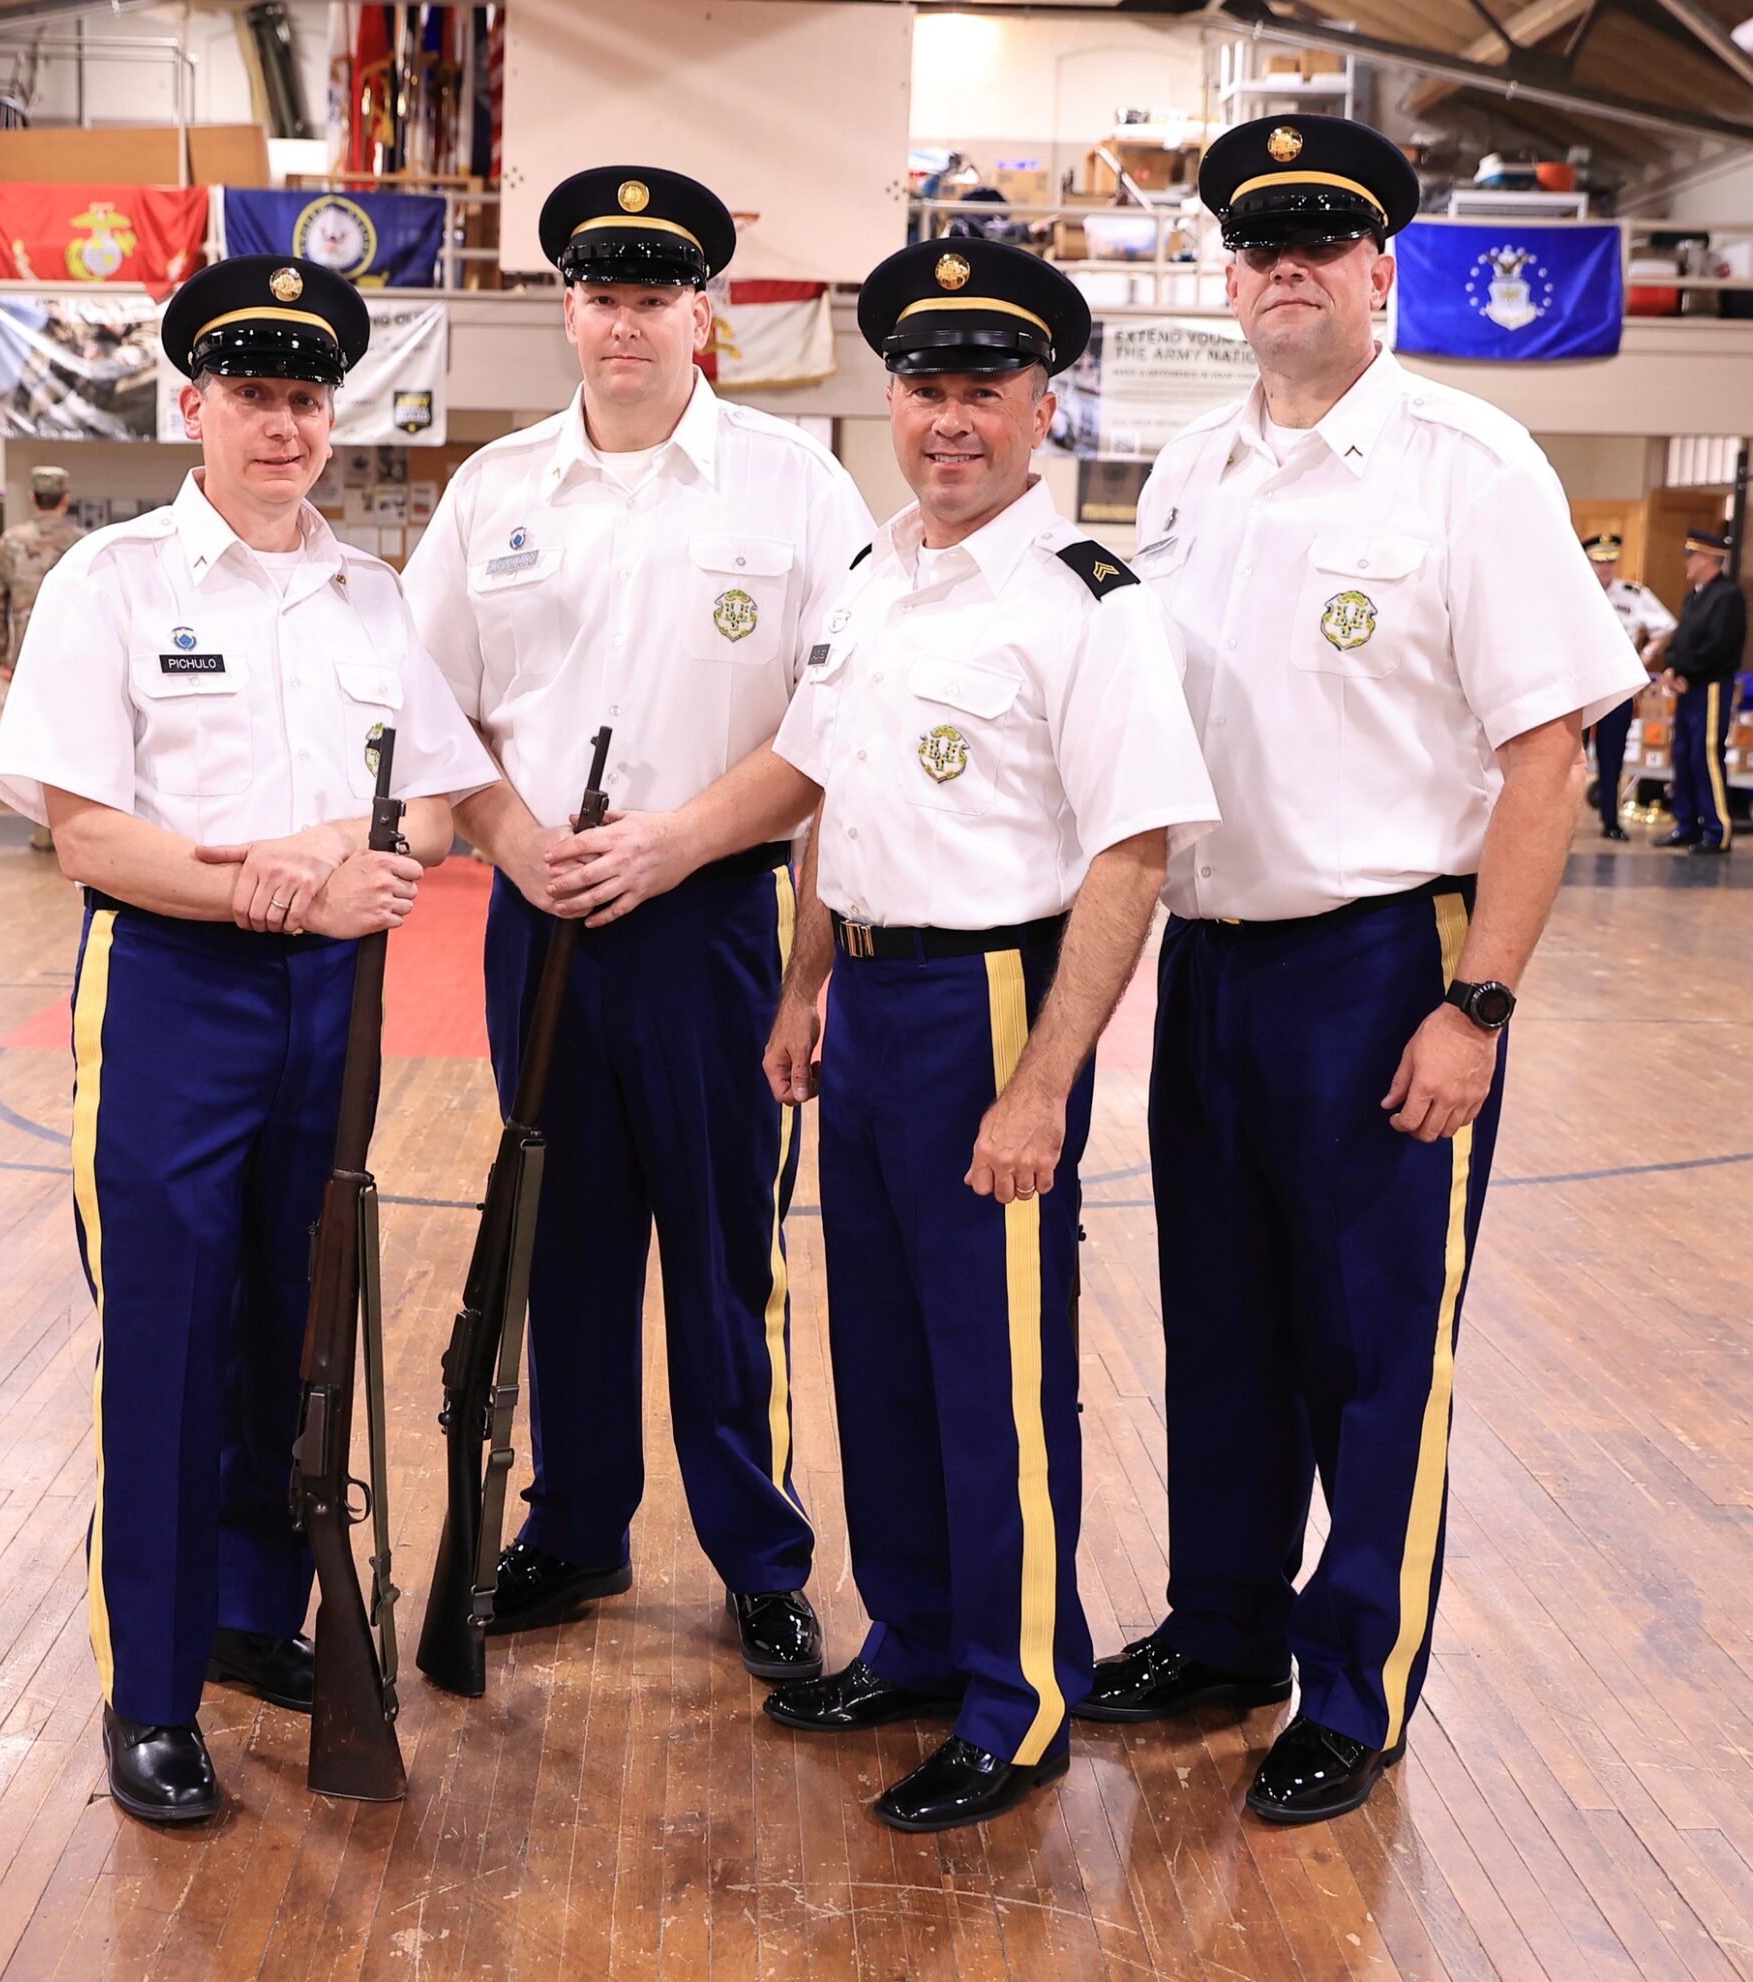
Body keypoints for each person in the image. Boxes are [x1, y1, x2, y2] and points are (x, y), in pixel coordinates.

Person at [1078, 116, 1646, 1825]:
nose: (1287, 271)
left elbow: (1543, 753)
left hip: (1388, 959)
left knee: (1377, 1348)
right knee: (1225, 1326)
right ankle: (1227, 1626)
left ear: (1382, 270)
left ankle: (1356, 1680)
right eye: (1259, 247)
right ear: (1229, 278)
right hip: (1217, 964)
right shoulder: (1188, 475)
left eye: (1321, 243)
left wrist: (1480, 1004)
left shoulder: (1470, 465)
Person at [631, 238, 1215, 1832]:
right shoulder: (876, 576)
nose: (948, 420)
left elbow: (1135, 853)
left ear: (1043, 410)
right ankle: (911, 1636)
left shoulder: (1087, 604)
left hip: (995, 1002)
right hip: (872, 998)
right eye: (923, 388)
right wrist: (808, 979)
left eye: (982, 391)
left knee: (999, 1371)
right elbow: (833, 796)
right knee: (879, 1349)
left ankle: (1020, 1692)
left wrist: (1043, 1084)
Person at [0, 255, 495, 1826]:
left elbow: (439, 795)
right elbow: (84, 834)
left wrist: (338, 843)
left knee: (301, 1316)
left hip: (332, 1001)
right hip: (171, 994)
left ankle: (257, 1620)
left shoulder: (372, 594)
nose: (281, 424)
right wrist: (262, 877)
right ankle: (149, 1692)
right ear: (190, 404)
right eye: (251, 394)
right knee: (167, 1336)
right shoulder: (113, 583)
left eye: (304, 396)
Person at [402, 166, 873, 1683]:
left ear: (703, 310)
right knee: (566, 1240)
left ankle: (759, 1552)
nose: (625, 318)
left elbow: (840, 713)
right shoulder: (492, 492)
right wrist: (515, 837)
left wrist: (679, 837)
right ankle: (577, 1522)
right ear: (566, 309)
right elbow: (431, 705)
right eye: (600, 291)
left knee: (726, 1250)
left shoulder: (794, 487)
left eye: (654, 291)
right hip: (538, 922)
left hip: (715, 921)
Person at [0, 464, 86, 850]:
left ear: (32, 498)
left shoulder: (11, 542)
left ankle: (42, 827)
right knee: (72, 742)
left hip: (25, 653)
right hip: (74, 653)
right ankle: (70, 829)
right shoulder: (82, 542)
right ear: (65, 498)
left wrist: (1, 650)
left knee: (36, 738)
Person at [1652, 528, 1743, 855]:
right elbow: (1682, 641)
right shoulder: (1694, 596)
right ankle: (1687, 824)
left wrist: (1685, 671)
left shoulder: (1727, 596)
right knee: (1683, 756)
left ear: (1705, 558)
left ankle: (1717, 829)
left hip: (1711, 687)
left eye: (1690, 556)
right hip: (1688, 688)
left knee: (1705, 757)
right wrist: (1672, 668)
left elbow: (1719, 646)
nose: (1686, 563)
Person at [1581, 533, 1672, 841]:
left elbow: (1665, 626)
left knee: (1612, 752)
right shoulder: (1576, 590)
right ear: (1588, 561)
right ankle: (1563, 823)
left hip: (1617, 682)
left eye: (1610, 562)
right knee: (1573, 755)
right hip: (1582, 681)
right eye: (1598, 561)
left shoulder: (1632, 594)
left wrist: (1646, 655)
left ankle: (1610, 819)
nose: (1604, 569)